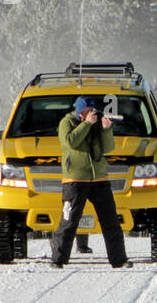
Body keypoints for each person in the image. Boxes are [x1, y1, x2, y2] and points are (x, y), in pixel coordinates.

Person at [50, 96, 131, 268]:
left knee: (110, 221)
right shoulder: (67, 122)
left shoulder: (95, 124)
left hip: (99, 178)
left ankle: (119, 260)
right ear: (80, 112)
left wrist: (106, 130)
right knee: (69, 220)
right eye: (88, 111)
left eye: (93, 111)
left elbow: (108, 148)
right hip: (75, 179)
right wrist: (86, 124)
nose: (92, 114)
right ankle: (58, 259)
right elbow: (70, 141)